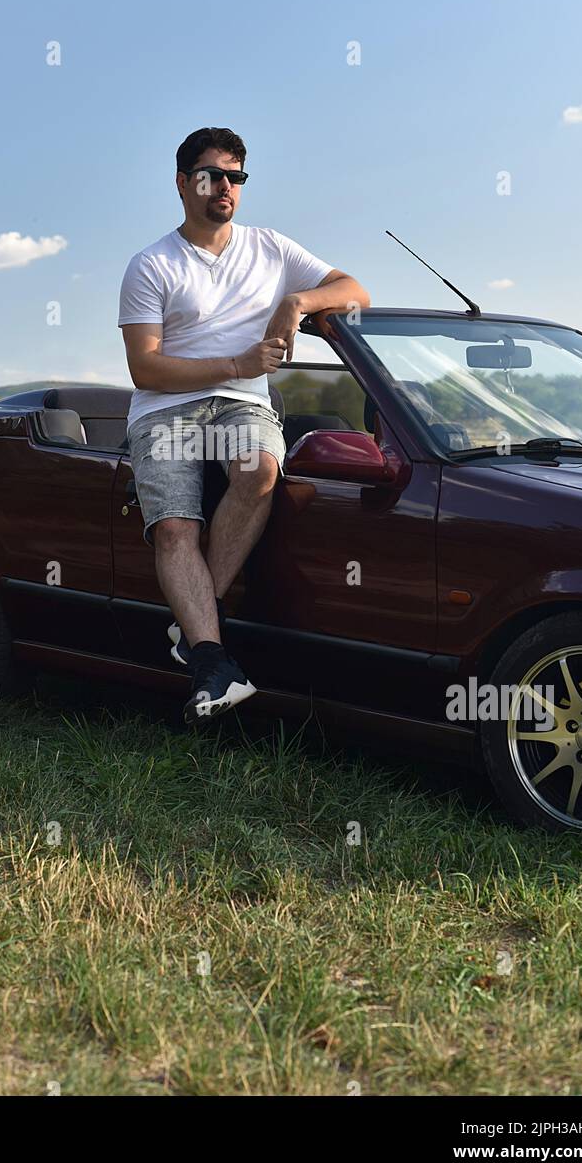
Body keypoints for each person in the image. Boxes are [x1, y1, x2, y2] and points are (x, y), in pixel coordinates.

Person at [117, 126, 370, 725]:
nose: (225, 187)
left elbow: (355, 289)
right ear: (183, 183)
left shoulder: (272, 249)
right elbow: (143, 366)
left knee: (259, 470)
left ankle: (191, 626)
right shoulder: (151, 264)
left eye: (236, 177)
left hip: (241, 406)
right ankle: (211, 659)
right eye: (211, 175)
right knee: (175, 526)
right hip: (166, 408)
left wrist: (296, 304)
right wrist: (236, 362)